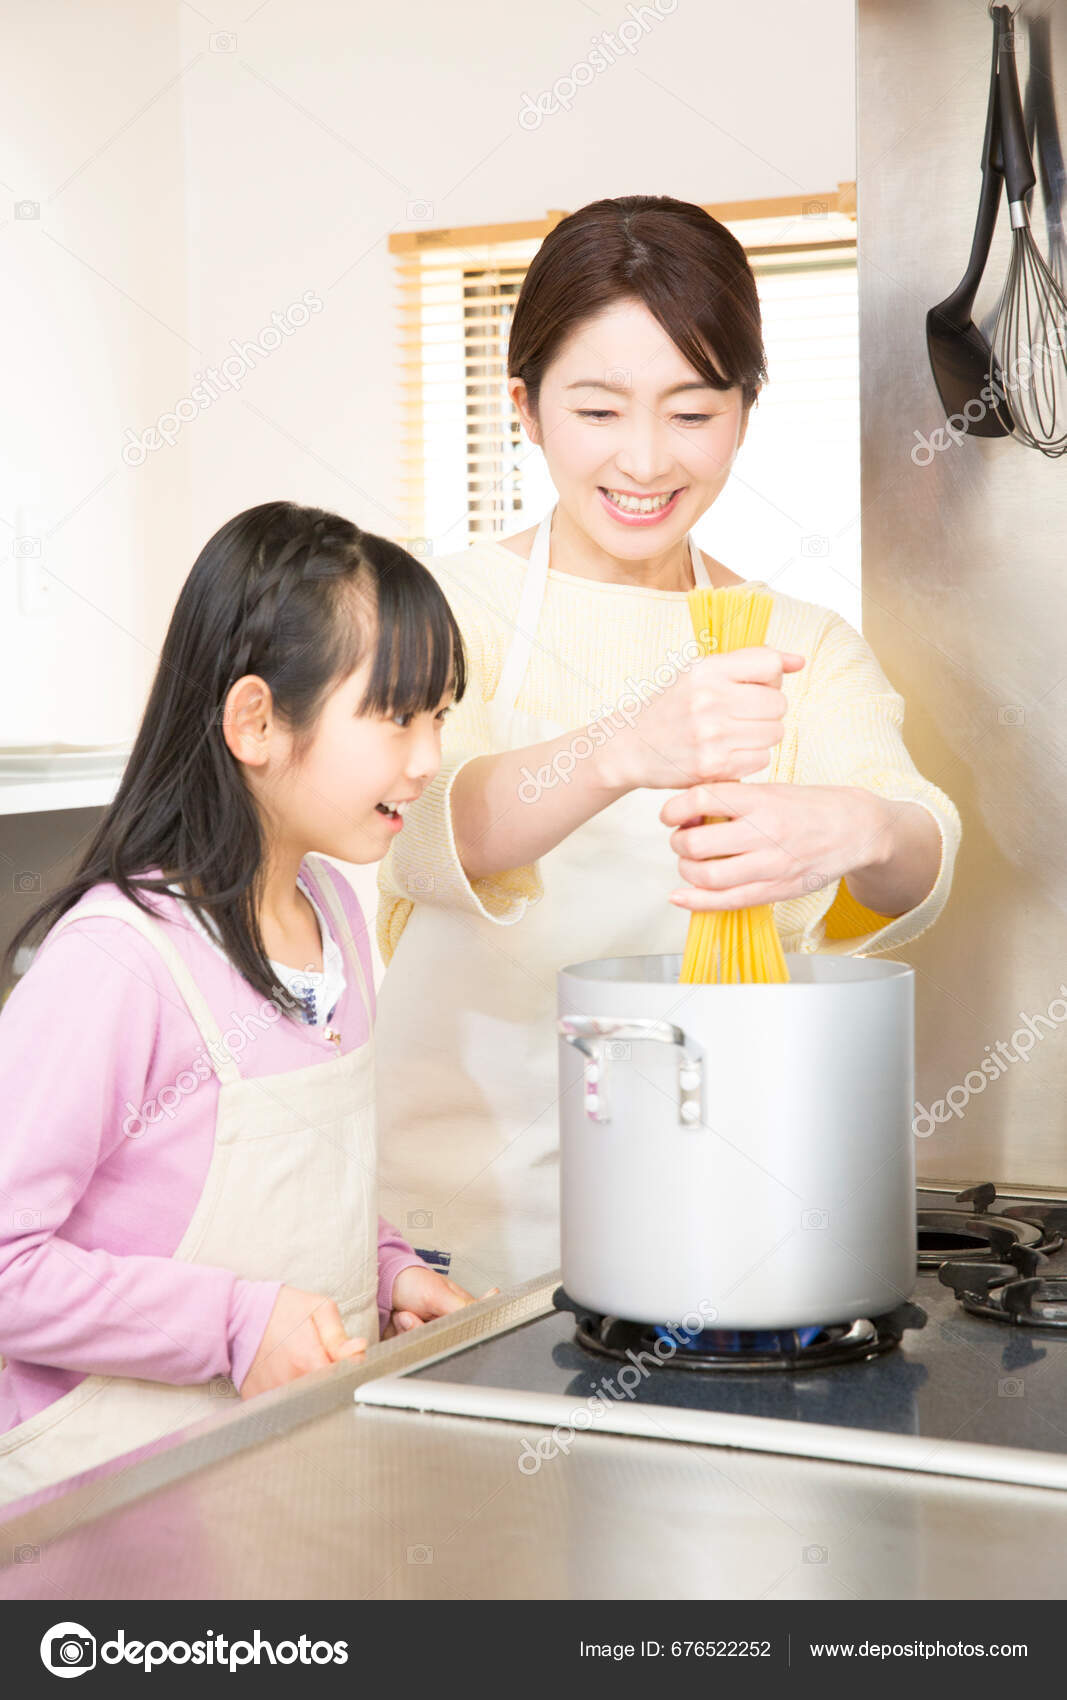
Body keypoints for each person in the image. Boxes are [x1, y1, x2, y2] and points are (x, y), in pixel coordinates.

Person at [375, 194, 962, 1297]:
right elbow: (409, 837)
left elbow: (916, 858)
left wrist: (861, 823)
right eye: (596, 410)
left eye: (692, 414)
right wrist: (619, 748)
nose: (644, 461)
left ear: (744, 407)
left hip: (705, 1215)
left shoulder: (796, 643)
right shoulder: (435, 610)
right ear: (525, 406)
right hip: (450, 1232)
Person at [0, 501, 480, 1504]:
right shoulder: (118, 963)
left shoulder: (335, 909)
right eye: (396, 714)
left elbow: (296, 1183)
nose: (428, 757)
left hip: (277, 1484)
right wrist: (231, 1320)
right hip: (106, 1511)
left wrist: (387, 1265)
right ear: (255, 720)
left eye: (440, 713)